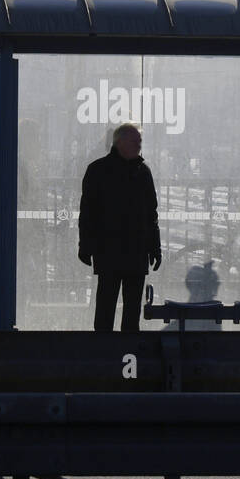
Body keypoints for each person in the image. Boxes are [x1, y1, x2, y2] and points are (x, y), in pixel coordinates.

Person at [78, 123, 161, 331]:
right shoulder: (142, 172)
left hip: (110, 251)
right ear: (120, 142)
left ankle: (104, 352)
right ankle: (126, 349)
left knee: (108, 306)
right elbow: (150, 214)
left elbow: (88, 214)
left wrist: (86, 247)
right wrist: (153, 247)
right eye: (135, 140)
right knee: (126, 309)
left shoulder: (98, 170)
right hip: (130, 251)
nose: (139, 144)